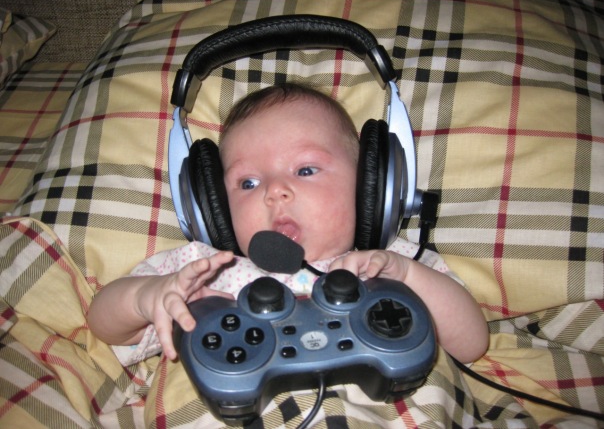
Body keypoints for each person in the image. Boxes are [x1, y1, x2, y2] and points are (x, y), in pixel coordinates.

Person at [87, 83, 489, 365]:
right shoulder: (205, 270)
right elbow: (105, 326)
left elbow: (471, 344)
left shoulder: (391, 263)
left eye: (306, 170)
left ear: (371, 187)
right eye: (248, 183)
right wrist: (147, 297)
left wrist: (406, 275)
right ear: (215, 208)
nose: (274, 191)